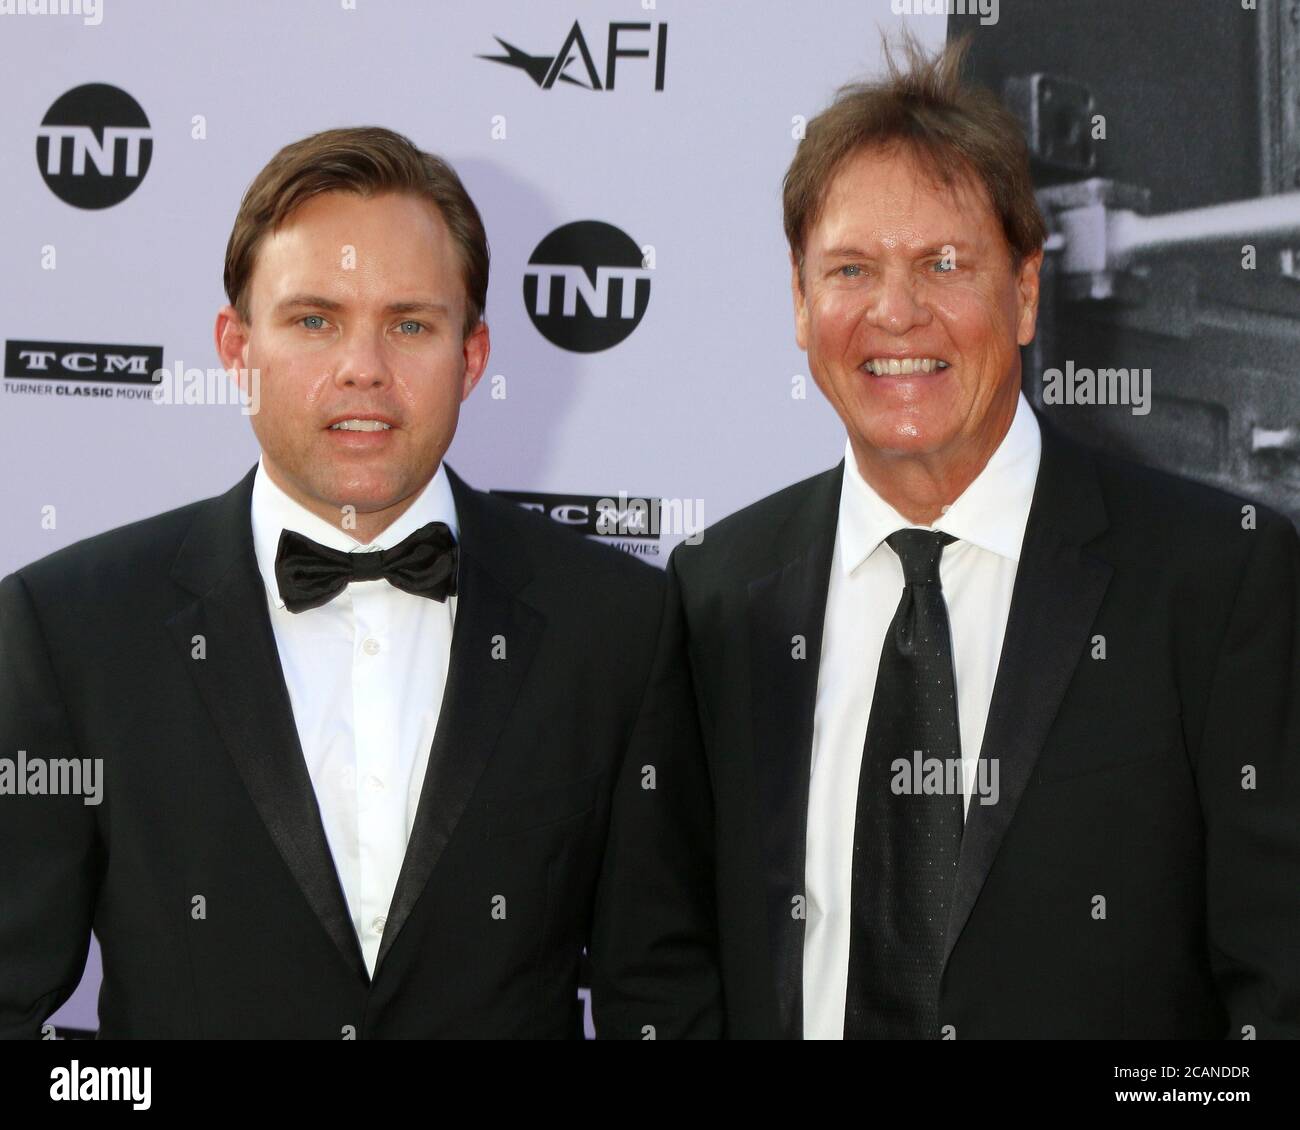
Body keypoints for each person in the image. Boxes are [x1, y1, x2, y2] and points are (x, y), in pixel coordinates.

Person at [0, 126, 719, 1039]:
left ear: (472, 356)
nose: (363, 369)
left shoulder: (616, 625)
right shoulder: (73, 629)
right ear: (235, 348)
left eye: (410, 324)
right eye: (314, 321)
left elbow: (661, 1002)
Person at [656, 34, 1300, 1038]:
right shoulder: (717, 591)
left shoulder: (1214, 578)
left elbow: (1278, 979)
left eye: (944, 263)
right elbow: (666, 954)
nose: (895, 311)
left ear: (1026, 290)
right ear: (797, 301)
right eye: (851, 268)